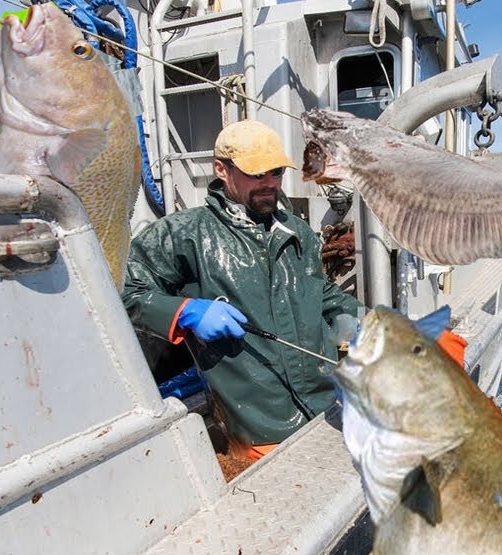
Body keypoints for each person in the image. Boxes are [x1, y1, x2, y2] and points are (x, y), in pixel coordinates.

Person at [122, 120, 363, 459]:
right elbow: (125, 291)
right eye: (256, 173)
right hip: (257, 425)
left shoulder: (298, 231)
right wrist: (186, 311)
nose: (269, 184)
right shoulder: (183, 233)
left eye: (276, 172)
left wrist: (370, 321)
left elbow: (322, 294)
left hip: (325, 406)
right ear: (222, 169)